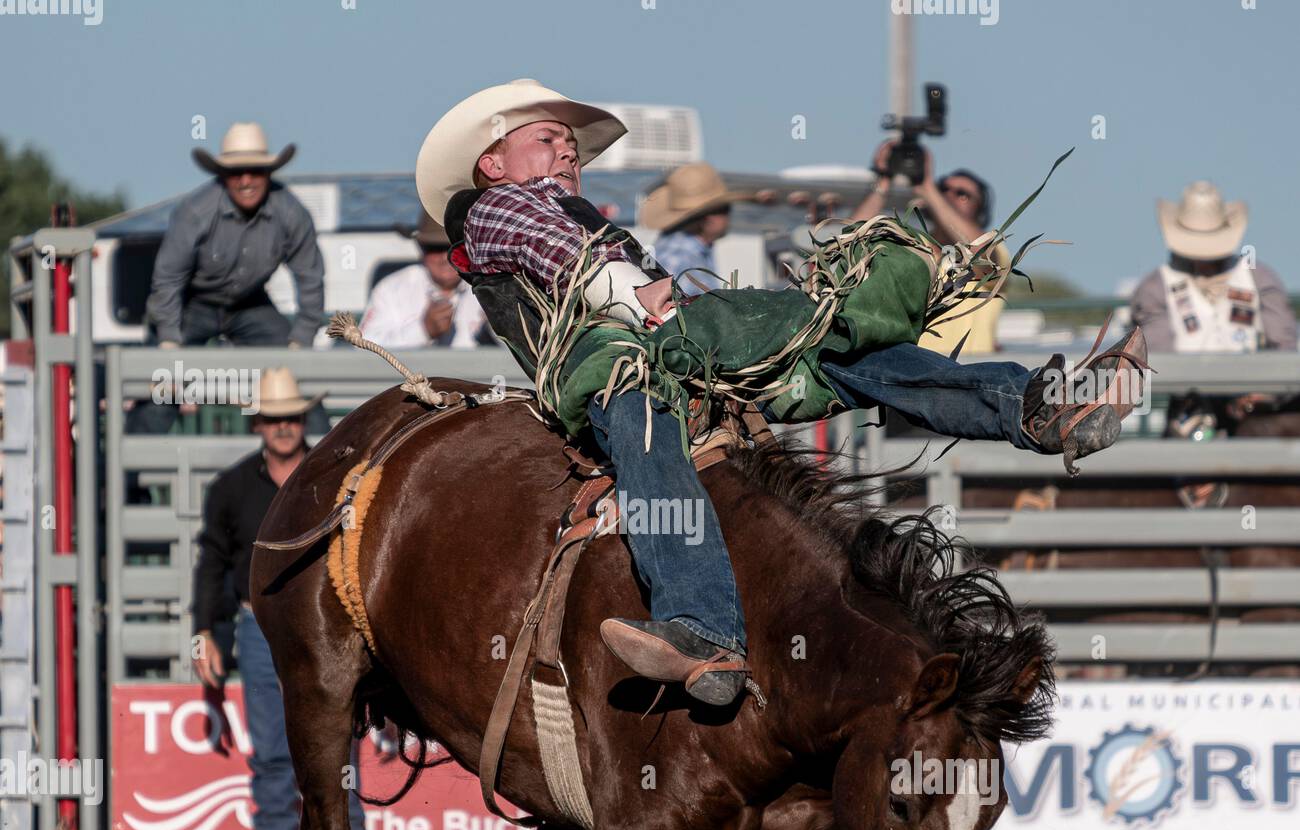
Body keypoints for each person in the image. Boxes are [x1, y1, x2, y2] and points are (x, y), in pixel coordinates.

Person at [416, 80, 1144, 707]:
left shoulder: (580, 213)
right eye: (548, 138)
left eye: (569, 142)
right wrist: (645, 299)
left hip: (666, 347)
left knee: (844, 358)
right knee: (643, 412)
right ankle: (702, 627)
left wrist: (658, 306)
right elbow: (576, 267)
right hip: (603, 365)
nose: (567, 150)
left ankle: (1038, 409)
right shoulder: (498, 208)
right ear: (492, 161)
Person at [192, 368, 367, 830]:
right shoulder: (233, 489)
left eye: (291, 417)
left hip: (327, 630)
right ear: (260, 425)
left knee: (340, 756)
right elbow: (214, 565)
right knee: (272, 754)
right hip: (260, 627)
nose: (285, 427)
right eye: (275, 419)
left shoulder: (334, 477)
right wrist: (205, 630)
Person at [145, 122, 325, 351]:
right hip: (192, 302)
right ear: (222, 175)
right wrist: (168, 338)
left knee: (286, 363)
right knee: (160, 374)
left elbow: (310, 277)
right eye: (236, 172)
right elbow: (168, 279)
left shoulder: (292, 214)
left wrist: (302, 338)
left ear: (269, 173)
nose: (246, 181)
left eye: (255, 171)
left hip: (250, 303)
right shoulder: (195, 212)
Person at [852, 140, 1007, 355]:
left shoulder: (993, 247)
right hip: (916, 371)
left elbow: (981, 259)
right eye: (944, 189)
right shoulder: (913, 245)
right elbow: (849, 242)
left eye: (962, 194)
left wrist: (928, 188)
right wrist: (884, 181)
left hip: (970, 371)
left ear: (979, 210)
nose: (949, 195)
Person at [1130, 180, 1297, 353]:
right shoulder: (1155, 289)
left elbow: (1284, 348)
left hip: (1249, 380)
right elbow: (1158, 358)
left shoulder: (1259, 279)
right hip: (1183, 380)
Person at [359, 212, 493, 349]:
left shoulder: (494, 289)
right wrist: (423, 330)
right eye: (433, 248)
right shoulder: (391, 289)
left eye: (452, 247)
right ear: (421, 250)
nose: (444, 258)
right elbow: (361, 350)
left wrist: (495, 327)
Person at [639, 163, 752, 297]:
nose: (729, 216)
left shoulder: (691, 252)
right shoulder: (679, 257)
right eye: (725, 209)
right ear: (709, 217)